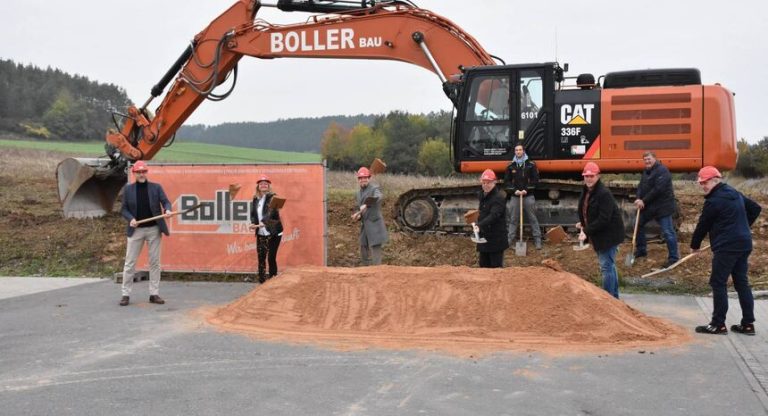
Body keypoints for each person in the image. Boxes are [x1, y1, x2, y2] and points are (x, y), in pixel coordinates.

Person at [691, 166, 762, 335]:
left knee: (718, 282)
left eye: (705, 182)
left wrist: (695, 245)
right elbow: (755, 209)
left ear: (715, 180)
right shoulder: (734, 193)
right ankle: (748, 325)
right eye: (701, 183)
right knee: (741, 283)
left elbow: (703, 225)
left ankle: (718, 324)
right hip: (743, 243)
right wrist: (743, 227)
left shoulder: (713, 201)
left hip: (727, 246)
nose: (703, 186)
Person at [119, 161, 174, 306]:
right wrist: (131, 219)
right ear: (134, 173)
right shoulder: (128, 189)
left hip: (154, 230)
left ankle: (154, 294)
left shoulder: (156, 188)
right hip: (136, 230)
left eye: (144, 172)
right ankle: (125, 294)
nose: (142, 174)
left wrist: (167, 210)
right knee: (130, 263)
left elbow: (166, 202)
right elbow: (123, 209)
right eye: (139, 172)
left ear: (146, 172)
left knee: (155, 263)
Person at [576, 162, 625, 298]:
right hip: (600, 234)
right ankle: (614, 297)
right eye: (586, 176)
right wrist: (583, 222)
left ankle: (608, 298)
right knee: (609, 265)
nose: (588, 179)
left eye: (591, 176)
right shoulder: (587, 191)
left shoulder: (603, 193)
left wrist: (586, 230)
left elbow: (604, 219)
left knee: (606, 267)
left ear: (598, 176)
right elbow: (588, 210)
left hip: (608, 235)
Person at [633, 151, 679, 268]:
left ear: (655, 159)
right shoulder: (646, 171)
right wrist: (638, 198)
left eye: (649, 159)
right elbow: (641, 186)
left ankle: (674, 257)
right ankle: (641, 250)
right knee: (638, 224)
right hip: (650, 206)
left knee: (668, 232)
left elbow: (658, 189)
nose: (647, 161)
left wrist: (644, 200)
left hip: (662, 206)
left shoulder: (662, 170)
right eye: (645, 160)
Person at [504, 144, 542, 249]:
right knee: (513, 219)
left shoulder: (531, 165)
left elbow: (535, 180)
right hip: (515, 197)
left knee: (533, 218)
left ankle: (538, 240)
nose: (518, 152)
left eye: (520, 150)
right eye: (516, 150)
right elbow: (506, 183)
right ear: (515, 152)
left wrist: (527, 189)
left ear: (523, 151)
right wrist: (515, 191)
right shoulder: (510, 166)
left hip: (528, 196)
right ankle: (509, 240)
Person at [248, 175, 284, 284]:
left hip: (274, 232)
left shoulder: (274, 197)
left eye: (265, 183)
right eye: (261, 183)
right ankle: (262, 283)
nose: (263, 185)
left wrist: (261, 224)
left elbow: (272, 213)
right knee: (261, 258)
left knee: (271, 257)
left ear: (269, 186)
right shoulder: (255, 199)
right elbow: (253, 214)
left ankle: (273, 281)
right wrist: (253, 223)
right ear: (258, 186)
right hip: (261, 233)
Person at [351, 167, 388, 265]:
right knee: (363, 246)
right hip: (365, 225)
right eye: (361, 178)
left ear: (369, 178)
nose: (363, 180)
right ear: (358, 180)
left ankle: (377, 270)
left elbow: (378, 197)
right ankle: (366, 270)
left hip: (374, 224)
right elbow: (356, 207)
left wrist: (366, 204)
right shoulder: (358, 193)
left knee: (375, 248)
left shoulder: (374, 188)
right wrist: (356, 215)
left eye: (365, 178)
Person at [474, 169, 508, 268]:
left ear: (494, 182)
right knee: (483, 266)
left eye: (488, 183)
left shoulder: (498, 198)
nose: (485, 185)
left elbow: (494, 216)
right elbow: (483, 213)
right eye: (483, 182)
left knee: (495, 267)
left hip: (496, 239)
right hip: (484, 238)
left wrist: (480, 225)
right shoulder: (483, 196)